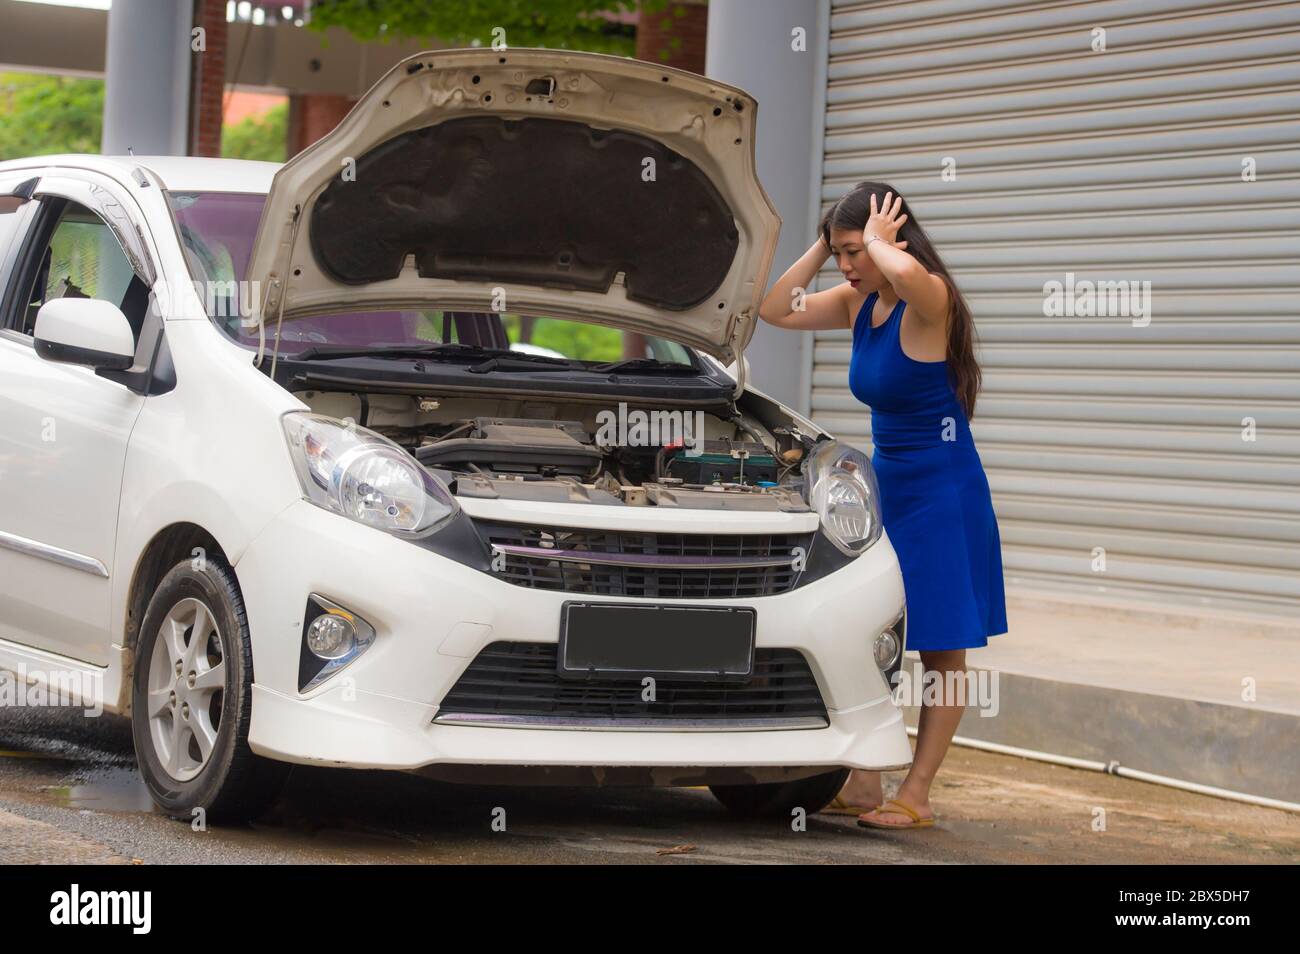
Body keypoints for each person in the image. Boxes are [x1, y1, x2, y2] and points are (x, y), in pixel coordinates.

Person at [757, 181, 1008, 830]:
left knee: (944, 650)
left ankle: (917, 793)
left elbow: (913, 277)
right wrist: (820, 247)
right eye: (838, 252)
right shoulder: (856, 303)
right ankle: (865, 780)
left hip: (945, 494)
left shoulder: (929, 301)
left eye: (853, 252)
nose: (846, 265)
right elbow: (774, 310)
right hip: (887, 489)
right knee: (873, 628)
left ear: (889, 240)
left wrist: (877, 243)